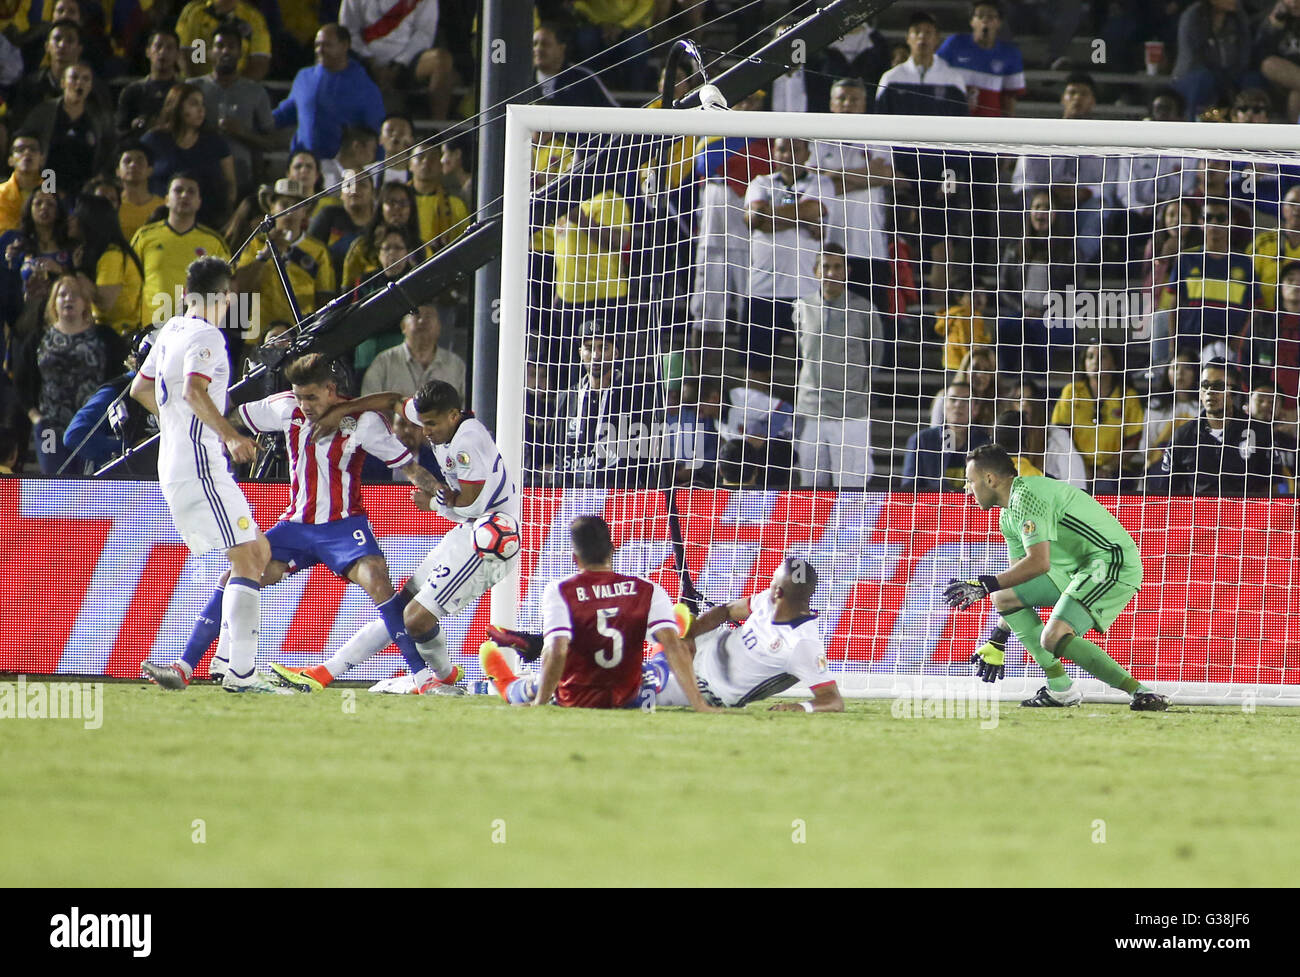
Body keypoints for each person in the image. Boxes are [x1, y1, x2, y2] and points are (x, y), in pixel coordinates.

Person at [143, 352, 447, 691]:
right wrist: (179, 415)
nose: (304, 405)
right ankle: (184, 667)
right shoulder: (284, 407)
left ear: (332, 390)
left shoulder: (363, 422)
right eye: (300, 396)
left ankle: (423, 678)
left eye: (312, 397)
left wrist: (444, 495)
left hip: (343, 526)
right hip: (295, 525)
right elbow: (232, 415)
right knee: (237, 573)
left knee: (378, 578)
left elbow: (411, 469)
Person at [274, 379, 520, 695]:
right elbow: (392, 400)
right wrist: (343, 410)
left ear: (453, 415)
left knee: (415, 620)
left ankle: (443, 677)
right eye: (423, 422)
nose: (426, 431)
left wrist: (432, 503)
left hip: (489, 540)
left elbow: (472, 503)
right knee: (398, 608)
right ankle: (324, 673)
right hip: (470, 531)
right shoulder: (438, 420)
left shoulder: (466, 443)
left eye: (431, 424)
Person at [128, 257, 278, 692]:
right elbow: (194, 389)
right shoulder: (208, 336)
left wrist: (175, 422)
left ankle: (206, 662)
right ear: (227, 296)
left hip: (177, 463)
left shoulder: (170, 329)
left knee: (257, 551)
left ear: (186, 294)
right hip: (200, 464)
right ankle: (243, 675)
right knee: (249, 558)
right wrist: (229, 435)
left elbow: (140, 389)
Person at [951, 443, 1168, 710]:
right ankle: (1061, 689)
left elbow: (1039, 563)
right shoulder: (1008, 516)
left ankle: (1142, 692)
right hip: (1077, 570)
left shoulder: (1027, 496)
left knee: (1052, 637)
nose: (966, 488)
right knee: (1003, 596)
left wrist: (985, 584)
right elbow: (1019, 580)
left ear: (989, 479)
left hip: (1111, 562)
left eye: (969, 481)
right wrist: (998, 637)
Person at [478, 515, 717, 712]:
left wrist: (540, 702)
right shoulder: (648, 589)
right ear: (613, 550)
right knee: (659, 667)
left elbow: (557, 650)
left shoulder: (561, 590)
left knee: (536, 684)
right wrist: (699, 705)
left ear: (575, 558)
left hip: (573, 698)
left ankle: (507, 682)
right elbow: (677, 647)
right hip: (631, 699)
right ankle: (666, 633)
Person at [645, 558, 844, 713]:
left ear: (779, 592)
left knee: (637, 690)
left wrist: (801, 707)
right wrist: (692, 634)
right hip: (701, 647)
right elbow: (727, 610)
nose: (770, 587)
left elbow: (833, 700)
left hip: (708, 687)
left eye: (772, 583)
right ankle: (661, 655)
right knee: (645, 615)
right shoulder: (769, 599)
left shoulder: (803, 645)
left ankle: (659, 661)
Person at [12, 273, 122, 474]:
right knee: (55, 485)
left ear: (85, 303)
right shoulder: (38, 338)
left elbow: (118, 378)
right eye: (63, 295)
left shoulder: (104, 337)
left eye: (75, 295)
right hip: (50, 428)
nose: (68, 299)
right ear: (54, 303)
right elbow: (20, 380)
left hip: (90, 427)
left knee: (89, 484)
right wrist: (34, 416)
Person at [743, 136, 831, 380]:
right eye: (782, 149)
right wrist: (801, 218)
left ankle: (809, 415)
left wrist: (768, 214)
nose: (788, 155)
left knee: (812, 365)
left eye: (795, 149)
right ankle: (757, 417)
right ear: (774, 153)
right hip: (763, 289)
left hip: (807, 290)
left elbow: (813, 209)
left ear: (807, 154)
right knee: (757, 367)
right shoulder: (760, 182)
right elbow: (753, 219)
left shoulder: (821, 182)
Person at [792, 245, 880, 489]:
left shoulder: (864, 310)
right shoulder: (801, 308)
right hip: (811, 412)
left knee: (851, 488)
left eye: (837, 267)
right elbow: (802, 354)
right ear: (815, 271)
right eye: (826, 266)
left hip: (850, 413)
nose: (831, 272)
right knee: (810, 489)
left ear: (847, 271)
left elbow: (875, 356)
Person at [811, 78, 895, 313]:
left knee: (875, 320)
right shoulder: (816, 138)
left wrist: (832, 175)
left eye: (854, 99)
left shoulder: (877, 134)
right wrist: (863, 178)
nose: (847, 103)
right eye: (842, 98)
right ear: (831, 103)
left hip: (869, 249)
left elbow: (883, 175)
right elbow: (811, 183)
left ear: (864, 104)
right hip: (827, 251)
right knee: (828, 320)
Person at [1157, 360, 1289, 496]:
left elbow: (1271, 489)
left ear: (1234, 392)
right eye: (1205, 386)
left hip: (1246, 514)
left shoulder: (1261, 432)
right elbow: (1167, 491)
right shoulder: (1183, 436)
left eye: (1218, 386)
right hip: (1200, 515)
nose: (1209, 392)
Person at [549, 323, 652, 488]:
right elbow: (557, 456)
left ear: (616, 353)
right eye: (589, 348)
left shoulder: (635, 395)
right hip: (571, 499)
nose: (596, 355)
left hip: (619, 499)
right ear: (580, 353)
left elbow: (647, 456)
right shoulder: (566, 398)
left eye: (603, 348)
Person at [232, 178, 334, 343]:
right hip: (258, 335)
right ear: (272, 209)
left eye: (296, 206)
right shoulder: (256, 244)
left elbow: (324, 298)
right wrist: (264, 256)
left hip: (301, 335)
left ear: (304, 211)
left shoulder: (318, 250)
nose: (289, 211)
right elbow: (239, 287)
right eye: (283, 204)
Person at [273, 24, 386, 161]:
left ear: (345, 46)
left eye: (327, 45)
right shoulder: (304, 77)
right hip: (305, 166)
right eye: (317, 45)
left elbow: (377, 135)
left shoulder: (365, 88)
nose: (320, 50)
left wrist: (377, 173)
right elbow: (286, 114)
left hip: (341, 170)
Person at [192, 24, 280, 198]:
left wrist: (242, 132)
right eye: (219, 46)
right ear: (210, 52)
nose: (225, 51)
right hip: (198, 178)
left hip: (244, 181)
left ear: (241, 53)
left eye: (231, 47)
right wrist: (208, 130)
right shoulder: (193, 87)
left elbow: (271, 143)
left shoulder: (255, 91)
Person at [141, 82, 236, 228]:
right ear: (177, 106)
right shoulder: (153, 140)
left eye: (202, 105)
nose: (201, 110)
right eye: (193, 104)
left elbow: (230, 183)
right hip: (159, 219)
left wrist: (227, 217)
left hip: (207, 220)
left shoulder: (215, 142)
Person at [339, 0, 447, 115]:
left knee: (441, 59)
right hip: (363, 60)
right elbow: (348, 31)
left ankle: (438, 128)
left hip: (408, 61)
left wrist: (399, 63)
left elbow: (424, 33)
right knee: (331, 50)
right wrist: (368, 59)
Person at [18, 62, 115, 190]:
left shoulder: (99, 119)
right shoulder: (43, 113)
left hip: (85, 189)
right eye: (74, 78)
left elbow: (109, 150)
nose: (79, 83)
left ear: (90, 86)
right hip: (46, 186)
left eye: (85, 79)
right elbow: (24, 141)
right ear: (63, 83)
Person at [70, 193, 143, 337]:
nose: (70, 219)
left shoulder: (112, 255)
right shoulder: (95, 253)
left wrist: (79, 272)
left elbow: (104, 303)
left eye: (75, 215)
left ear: (88, 220)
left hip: (119, 338)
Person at [937, 1, 1026, 117]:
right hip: (954, 122)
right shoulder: (954, 43)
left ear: (999, 22)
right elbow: (934, 76)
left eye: (990, 16)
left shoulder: (1010, 54)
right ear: (971, 21)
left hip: (990, 128)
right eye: (980, 16)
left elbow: (1010, 99)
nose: (985, 20)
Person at [1171, 0, 1257, 120]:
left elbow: (1244, 53)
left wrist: (1231, 76)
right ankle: (1193, 124)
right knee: (1203, 80)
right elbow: (1194, 57)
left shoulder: (1239, 17)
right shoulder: (1193, 16)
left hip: (1230, 74)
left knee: (1253, 80)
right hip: (1192, 75)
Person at [902, 380, 991, 493]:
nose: (958, 405)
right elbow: (908, 487)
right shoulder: (921, 441)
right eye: (953, 399)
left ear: (976, 409)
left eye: (965, 400)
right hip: (931, 507)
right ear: (944, 406)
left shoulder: (986, 443)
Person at [360, 303, 465, 400]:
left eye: (428, 316)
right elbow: (368, 407)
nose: (422, 321)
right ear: (403, 326)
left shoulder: (455, 365)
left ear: (439, 328)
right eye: (416, 315)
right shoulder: (384, 362)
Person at [993, 398, 1087, 488]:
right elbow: (1079, 494)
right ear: (1027, 440)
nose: (1023, 403)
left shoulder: (983, 475)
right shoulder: (1046, 482)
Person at [176, 0, 272, 81]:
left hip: (238, 91)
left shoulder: (253, 17)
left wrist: (235, 89)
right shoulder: (195, 12)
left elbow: (260, 62)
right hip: (196, 88)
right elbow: (183, 54)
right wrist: (202, 86)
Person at [531, 20, 617, 109]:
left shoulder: (584, 78)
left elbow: (614, 112)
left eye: (545, 44)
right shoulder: (522, 80)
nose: (538, 49)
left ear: (561, 48)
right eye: (534, 44)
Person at [309, 167, 375, 280]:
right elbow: (311, 250)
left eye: (362, 185)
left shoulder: (379, 222)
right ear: (341, 193)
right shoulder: (328, 215)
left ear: (373, 193)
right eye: (349, 185)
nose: (354, 189)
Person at [1138, 352, 1201, 471]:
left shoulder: (1203, 409)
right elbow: (1146, 446)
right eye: (1174, 368)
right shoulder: (1155, 407)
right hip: (1159, 468)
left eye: (1186, 368)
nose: (1179, 373)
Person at [407, 141, 470, 253]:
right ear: (410, 164)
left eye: (432, 158)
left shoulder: (455, 205)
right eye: (420, 157)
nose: (426, 162)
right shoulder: (397, 203)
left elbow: (464, 244)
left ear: (441, 165)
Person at [116, 28, 181, 136]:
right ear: (148, 51)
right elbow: (120, 131)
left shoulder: (185, 91)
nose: (162, 52)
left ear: (177, 54)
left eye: (169, 48)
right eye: (158, 46)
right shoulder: (132, 91)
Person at [1259, 0, 1300, 121]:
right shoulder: (1275, 16)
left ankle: (1293, 137)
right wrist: (1274, 27)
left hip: (1296, 82)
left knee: (1296, 94)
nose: (1294, 4)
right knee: (1269, 64)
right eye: (1290, 0)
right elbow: (1260, 55)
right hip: (1281, 77)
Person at [115, 143, 165, 241]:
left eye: (140, 161)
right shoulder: (113, 205)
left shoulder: (162, 206)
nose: (133, 165)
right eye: (127, 161)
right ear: (118, 171)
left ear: (150, 170)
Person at [0, 134, 46, 235]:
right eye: (20, 149)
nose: (27, 152)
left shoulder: (52, 195)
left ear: (42, 159)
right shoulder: (0, 194)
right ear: (10, 160)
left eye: (33, 149)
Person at [319, 124, 378, 196]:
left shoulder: (367, 177)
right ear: (356, 146)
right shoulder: (322, 168)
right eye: (372, 150)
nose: (373, 157)